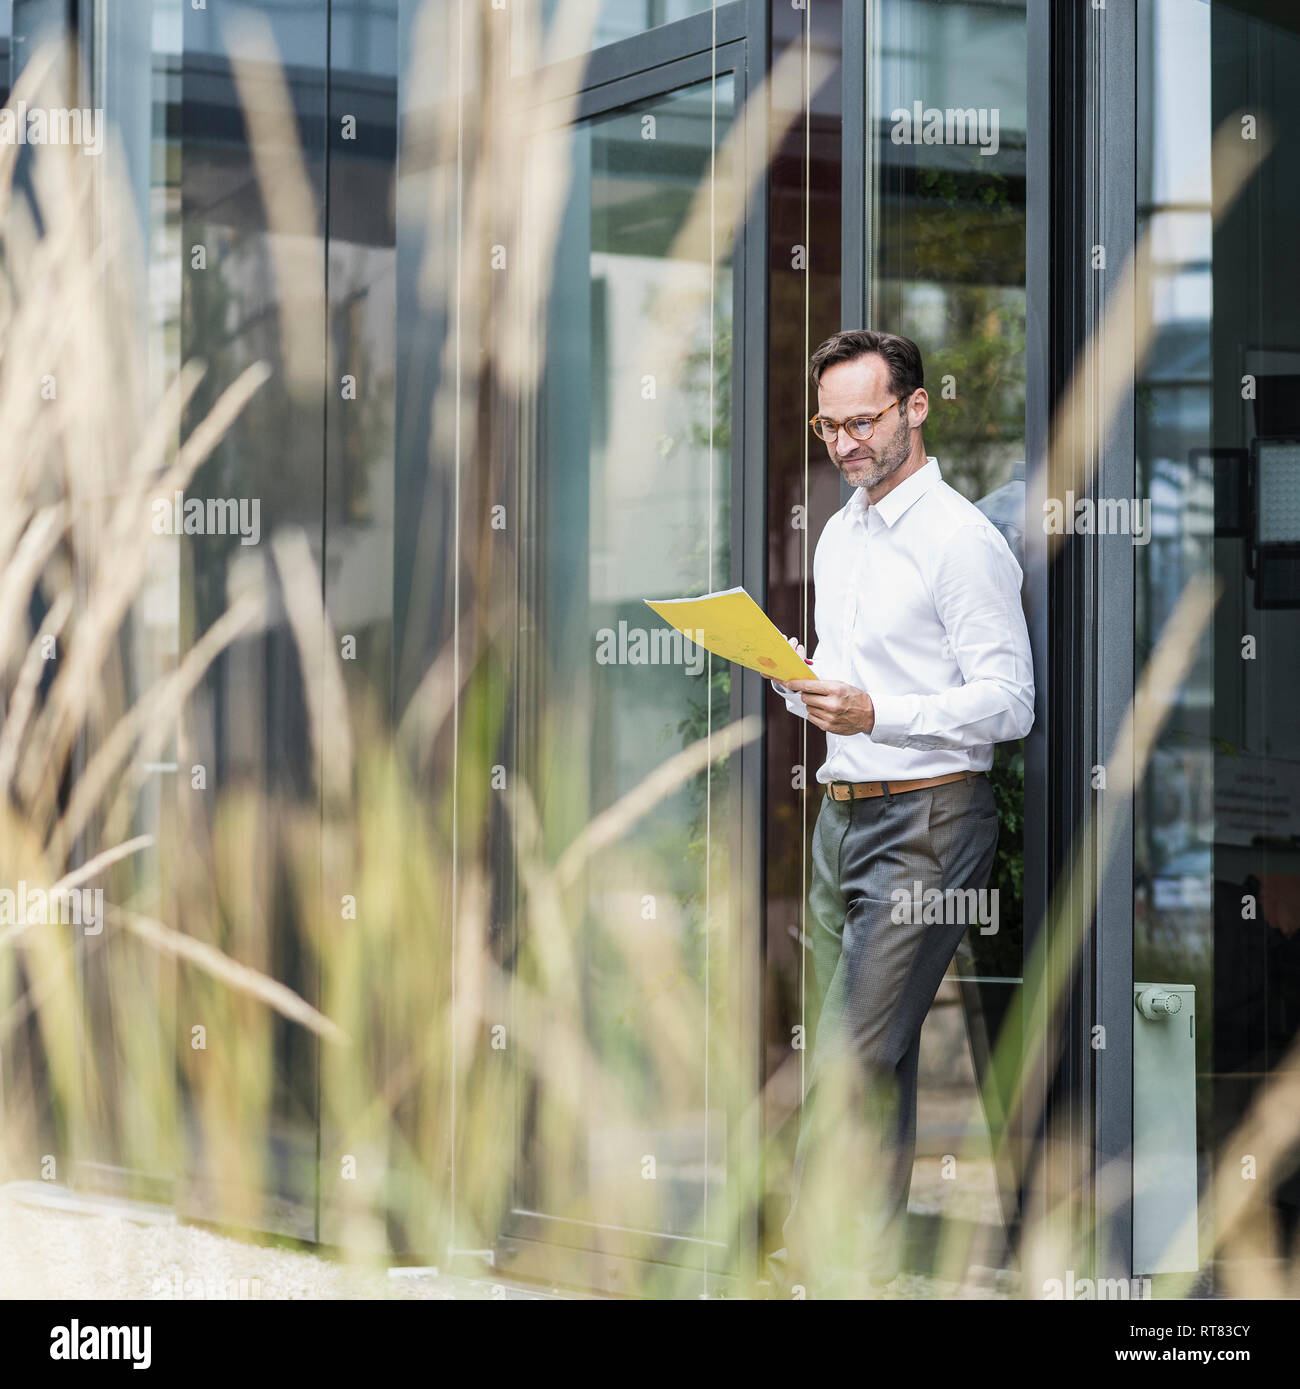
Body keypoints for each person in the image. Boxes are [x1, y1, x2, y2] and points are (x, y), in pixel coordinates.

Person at [770, 329, 1034, 1296]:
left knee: (845, 1062)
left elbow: (1012, 700)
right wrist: (802, 684)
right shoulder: (843, 532)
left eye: (863, 420)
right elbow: (852, 682)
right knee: (877, 1058)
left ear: (917, 408)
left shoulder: (961, 539)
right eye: (829, 424)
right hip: (844, 816)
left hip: (930, 823)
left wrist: (881, 711)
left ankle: (802, 1268)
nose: (844, 442)